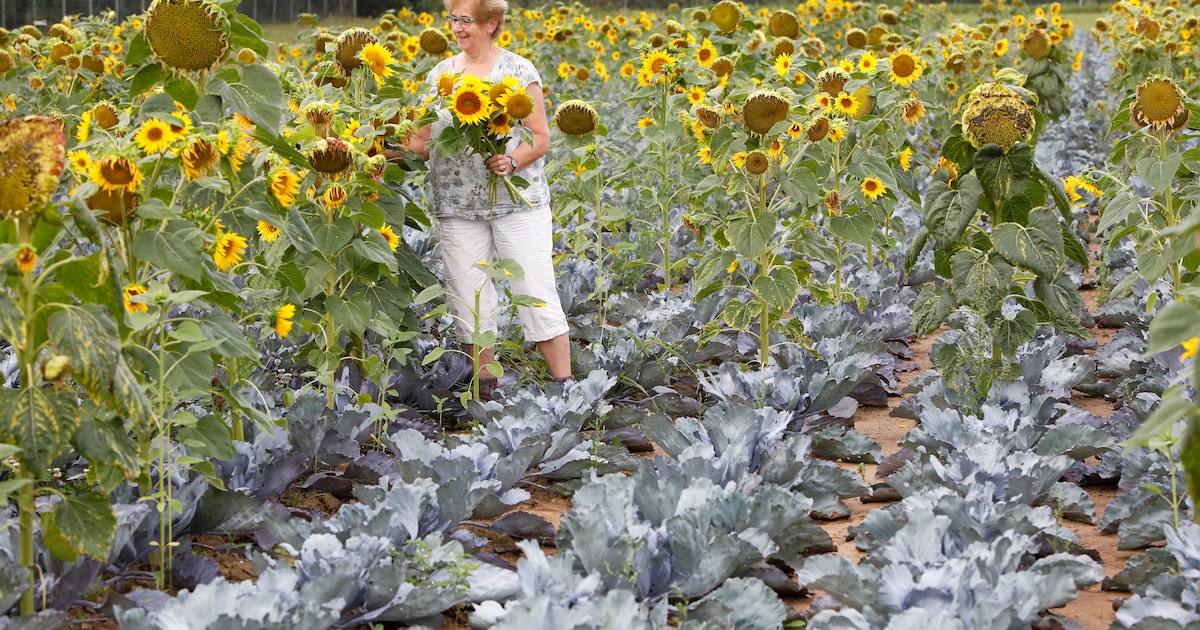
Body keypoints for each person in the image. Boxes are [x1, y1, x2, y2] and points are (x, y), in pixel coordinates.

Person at [402, 0, 573, 396]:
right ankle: (483, 394)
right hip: (457, 205)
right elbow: (422, 142)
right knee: (469, 300)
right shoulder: (441, 76)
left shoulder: (517, 71)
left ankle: (566, 390)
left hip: (517, 205)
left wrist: (511, 160)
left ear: (491, 23)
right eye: (453, 19)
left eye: (466, 20)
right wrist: (373, 148)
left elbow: (540, 137)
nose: (457, 28)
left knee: (535, 291)